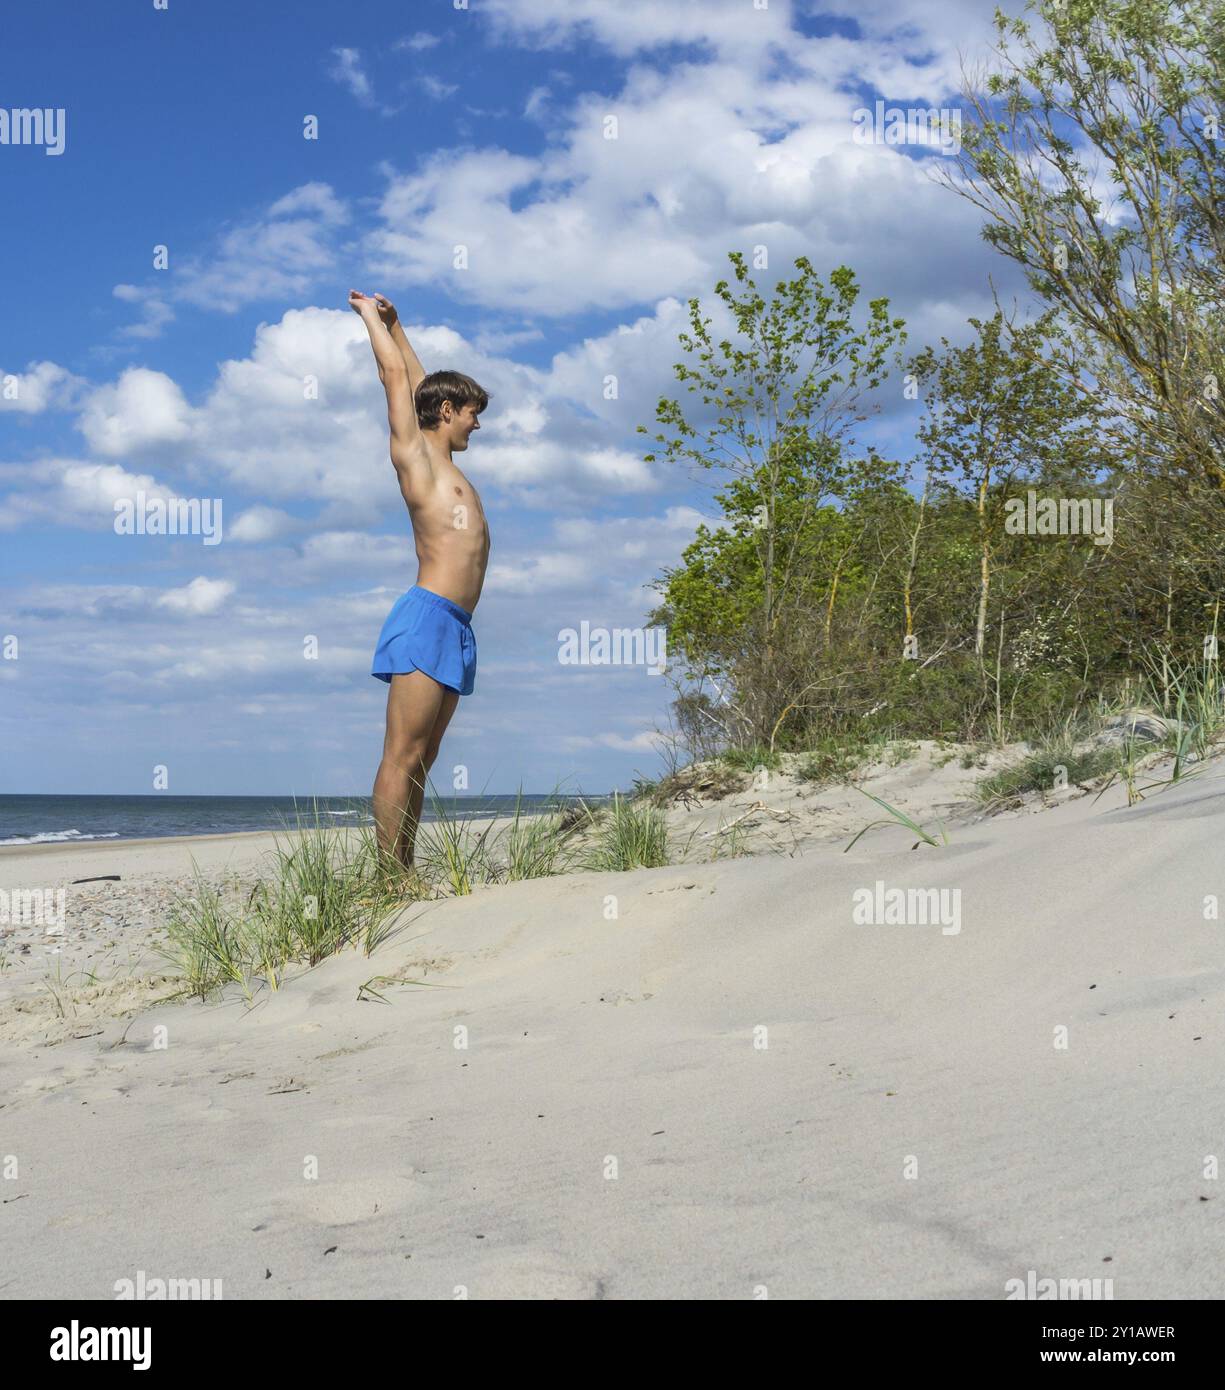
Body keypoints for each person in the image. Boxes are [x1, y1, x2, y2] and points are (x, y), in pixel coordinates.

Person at [349, 289, 491, 877]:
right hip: (426, 617)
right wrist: (368, 321)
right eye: (471, 412)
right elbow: (394, 380)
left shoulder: (449, 466)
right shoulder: (417, 457)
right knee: (402, 754)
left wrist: (400, 326)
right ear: (446, 412)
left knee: (425, 759)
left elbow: (416, 378)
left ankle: (405, 868)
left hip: (456, 627)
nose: (476, 423)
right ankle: (389, 880)